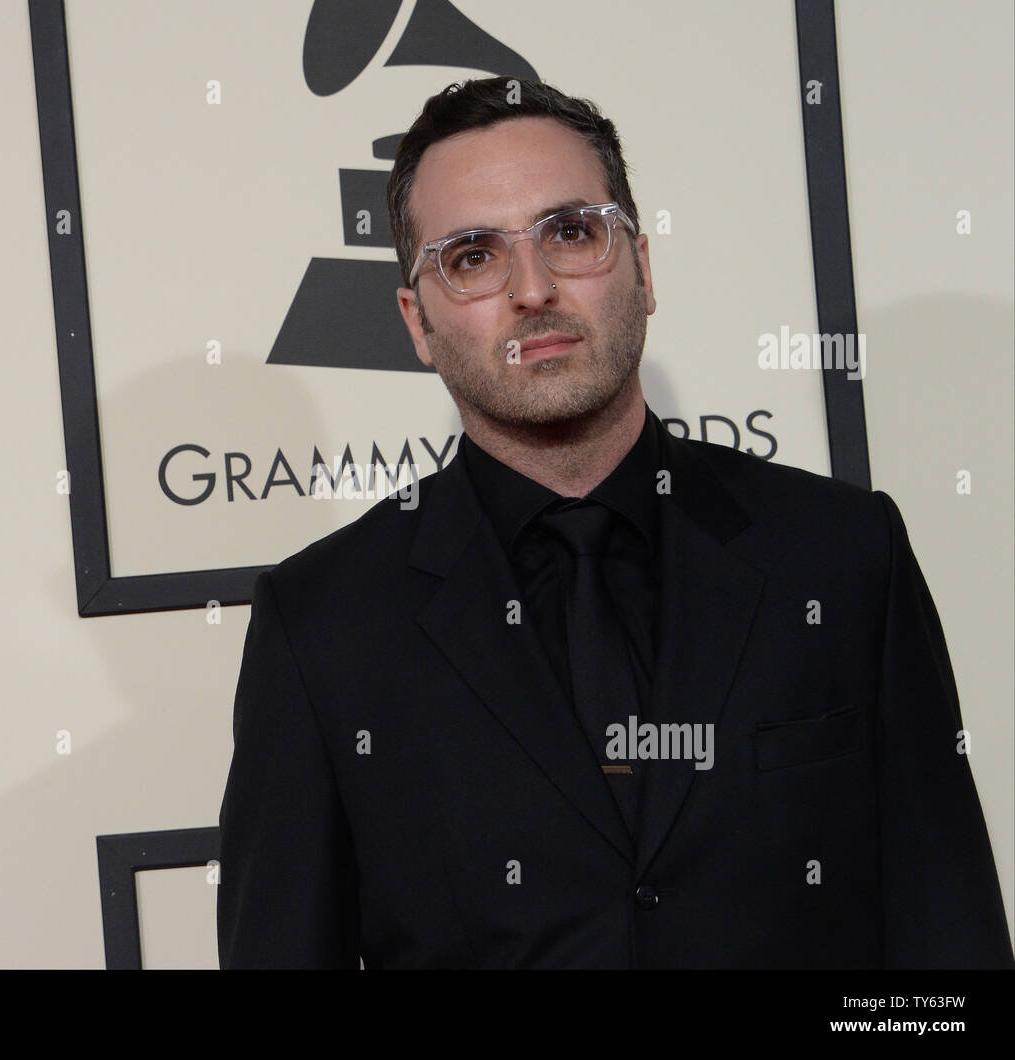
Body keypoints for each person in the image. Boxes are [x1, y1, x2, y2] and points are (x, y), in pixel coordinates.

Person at [216, 76, 1014, 968]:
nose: (534, 288)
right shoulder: (324, 627)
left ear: (641, 263)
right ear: (417, 320)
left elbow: (948, 938)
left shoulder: (839, 555)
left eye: (571, 233)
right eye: (473, 256)